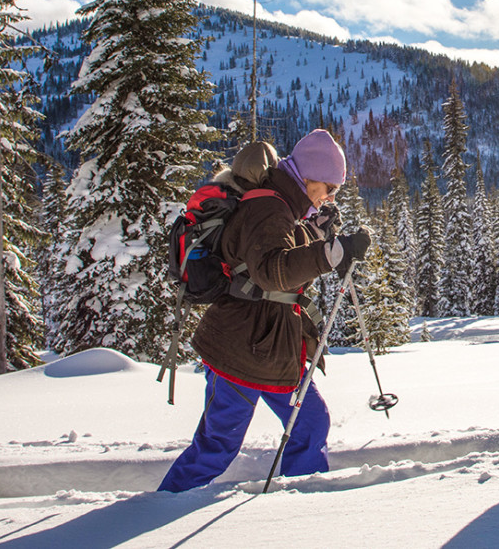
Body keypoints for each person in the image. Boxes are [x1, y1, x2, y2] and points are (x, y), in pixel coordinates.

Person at [158, 130, 370, 492]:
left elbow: (279, 246)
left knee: (310, 423)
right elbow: (272, 269)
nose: (330, 197)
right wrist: (332, 252)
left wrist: (317, 234)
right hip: (243, 349)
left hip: (270, 349)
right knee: (218, 446)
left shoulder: (283, 205)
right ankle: (157, 510)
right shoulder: (269, 206)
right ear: (309, 176)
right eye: (329, 187)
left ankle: (302, 502)